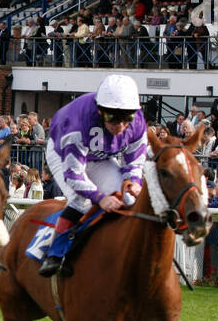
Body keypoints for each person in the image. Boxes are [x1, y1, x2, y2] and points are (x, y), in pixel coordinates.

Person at [39, 74, 149, 277]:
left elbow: (134, 162)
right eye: (112, 118)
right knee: (82, 202)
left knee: (127, 198)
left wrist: (133, 181)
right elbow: (74, 175)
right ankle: (54, 253)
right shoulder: (78, 122)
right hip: (63, 153)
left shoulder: (138, 123)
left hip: (100, 157)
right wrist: (101, 197)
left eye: (127, 118)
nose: (121, 125)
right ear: (100, 110)